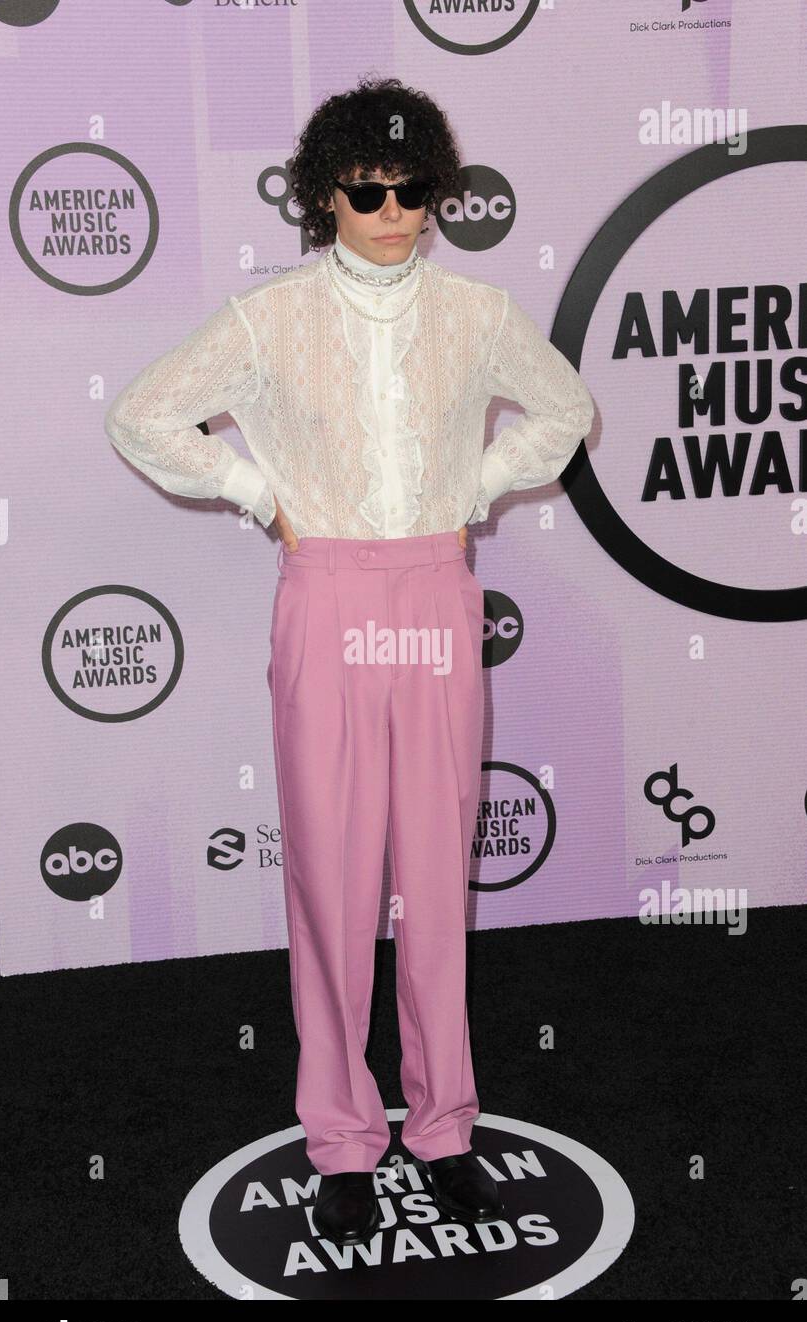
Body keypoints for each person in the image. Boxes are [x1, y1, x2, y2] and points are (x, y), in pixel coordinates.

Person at [105, 75, 594, 1248]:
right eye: (367, 190)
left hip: (434, 593)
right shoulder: (267, 320)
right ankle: (339, 1137)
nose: (391, 209)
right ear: (324, 195)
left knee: (434, 879)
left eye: (412, 187)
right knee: (327, 885)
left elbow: (563, 406)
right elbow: (142, 415)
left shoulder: (474, 312)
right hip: (323, 600)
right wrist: (255, 492)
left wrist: (472, 489)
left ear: (437, 188)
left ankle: (444, 1128)